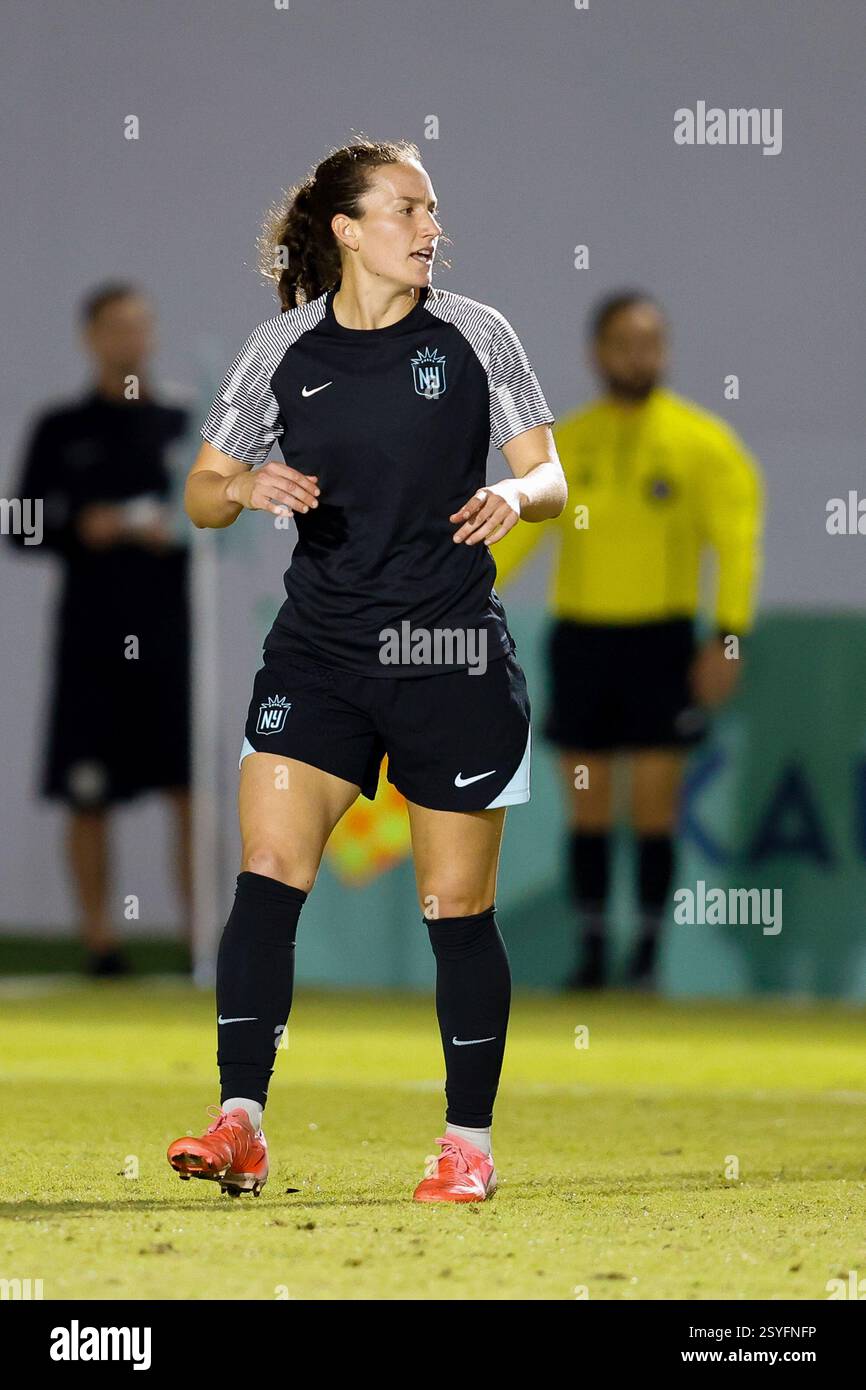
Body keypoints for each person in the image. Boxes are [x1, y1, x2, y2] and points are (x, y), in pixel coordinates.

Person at [166, 139, 566, 1203]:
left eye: (433, 211)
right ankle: (239, 1119)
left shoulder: (477, 335)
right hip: (322, 651)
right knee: (269, 863)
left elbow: (549, 475)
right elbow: (200, 491)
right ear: (345, 229)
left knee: (451, 906)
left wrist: (516, 499)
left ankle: (465, 1145)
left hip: (448, 653)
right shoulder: (281, 350)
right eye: (407, 208)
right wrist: (244, 485)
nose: (431, 228)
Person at [492, 291, 763, 990]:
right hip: (583, 641)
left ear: (664, 350)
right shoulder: (566, 446)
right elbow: (517, 537)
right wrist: (451, 595)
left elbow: (737, 545)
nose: (636, 354)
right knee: (587, 801)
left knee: (652, 801)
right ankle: (589, 952)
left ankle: (643, 956)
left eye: (649, 341)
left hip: (661, 644)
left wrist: (728, 636)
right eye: (622, 341)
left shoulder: (703, 445)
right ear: (597, 351)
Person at [7, 284, 193, 975]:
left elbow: (219, 511)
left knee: (188, 789)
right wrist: (79, 527)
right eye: (115, 328)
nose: (129, 340)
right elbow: (18, 524)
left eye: (140, 327)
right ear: (91, 337)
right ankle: (100, 943)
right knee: (88, 793)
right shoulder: (60, 428)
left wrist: (173, 528)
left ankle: (200, 943)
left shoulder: (181, 423)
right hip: (89, 640)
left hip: (171, 638)